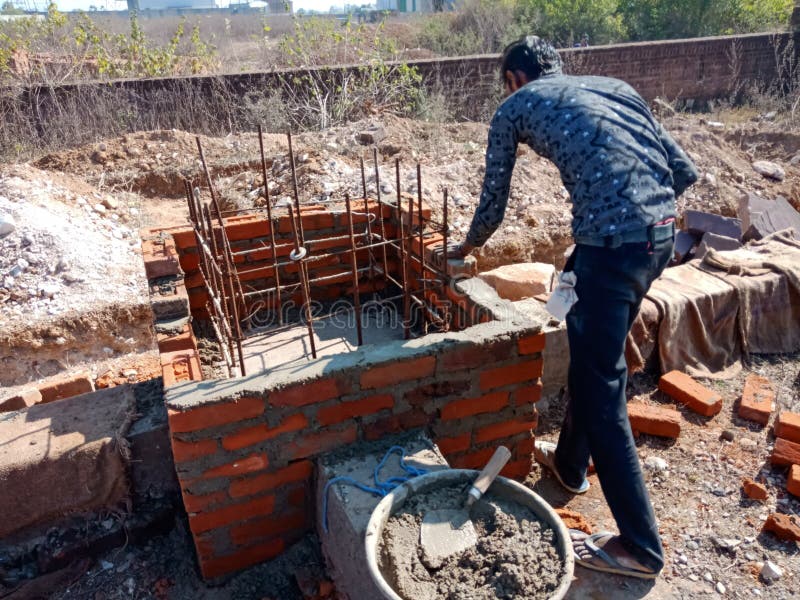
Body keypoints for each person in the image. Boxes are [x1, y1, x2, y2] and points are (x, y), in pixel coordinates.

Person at [444, 36, 698, 579]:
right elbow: (683, 170)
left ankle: (641, 548)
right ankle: (569, 465)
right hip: (656, 239)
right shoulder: (615, 87)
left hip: (612, 248)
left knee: (601, 388)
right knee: (593, 360)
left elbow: (493, 203)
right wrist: (640, 219)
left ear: (514, 79)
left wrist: (464, 247)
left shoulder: (515, 105)